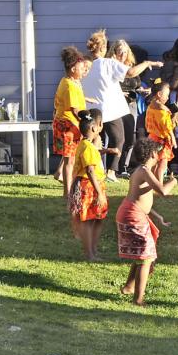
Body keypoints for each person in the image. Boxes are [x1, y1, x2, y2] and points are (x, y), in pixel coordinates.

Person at [82, 33, 162, 180]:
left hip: (90, 109)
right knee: (118, 140)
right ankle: (111, 172)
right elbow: (130, 73)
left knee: (94, 141)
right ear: (104, 47)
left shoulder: (86, 65)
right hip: (108, 110)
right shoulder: (107, 63)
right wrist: (147, 63)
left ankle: (92, 168)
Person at [118, 139, 176, 306]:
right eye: (157, 153)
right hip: (133, 215)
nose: (159, 156)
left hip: (132, 213)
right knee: (146, 257)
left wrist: (158, 218)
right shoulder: (144, 170)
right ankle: (138, 299)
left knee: (141, 256)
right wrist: (173, 181)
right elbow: (163, 191)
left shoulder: (140, 171)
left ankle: (129, 287)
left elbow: (142, 197)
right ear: (152, 154)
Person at [69, 109, 108, 262]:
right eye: (99, 126)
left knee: (98, 218)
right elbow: (90, 170)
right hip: (88, 187)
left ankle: (93, 250)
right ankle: (90, 254)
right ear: (93, 128)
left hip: (94, 185)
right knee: (87, 220)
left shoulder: (87, 145)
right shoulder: (86, 147)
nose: (100, 128)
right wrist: (99, 193)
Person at [52, 47, 89, 198]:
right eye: (81, 68)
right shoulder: (69, 85)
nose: (83, 70)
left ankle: (70, 189)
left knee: (71, 158)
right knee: (70, 160)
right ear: (73, 68)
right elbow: (75, 109)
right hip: (67, 125)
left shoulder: (71, 81)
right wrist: (87, 120)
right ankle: (67, 193)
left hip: (68, 124)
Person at [144, 80, 176, 180]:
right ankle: (160, 187)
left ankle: (153, 185)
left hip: (151, 137)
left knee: (153, 164)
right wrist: (173, 139)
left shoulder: (150, 107)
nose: (167, 98)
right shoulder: (163, 110)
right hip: (162, 140)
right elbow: (167, 126)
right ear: (159, 94)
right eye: (166, 95)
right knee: (162, 165)